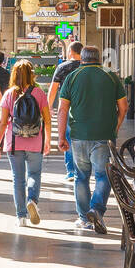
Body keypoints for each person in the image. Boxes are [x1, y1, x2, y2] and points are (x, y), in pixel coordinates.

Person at [57, 45, 128, 234]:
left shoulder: (72, 77)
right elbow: (123, 106)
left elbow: (62, 109)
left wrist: (61, 135)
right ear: (99, 59)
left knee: (81, 176)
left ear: (82, 59)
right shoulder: (110, 75)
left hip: (79, 135)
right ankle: (96, 210)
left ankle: (84, 218)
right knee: (103, 176)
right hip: (104, 135)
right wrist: (116, 126)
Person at [0, 59, 51, 227]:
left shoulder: (10, 94)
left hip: (14, 142)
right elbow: (47, 119)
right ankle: (32, 200)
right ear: (31, 74)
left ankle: (21, 217)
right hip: (35, 141)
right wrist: (47, 140)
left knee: (18, 179)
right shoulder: (39, 93)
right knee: (34, 175)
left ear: (14, 75)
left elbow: (2, 122)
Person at [47, 41, 83, 185]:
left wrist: (48, 108)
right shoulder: (86, 67)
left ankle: (71, 171)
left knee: (67, 137)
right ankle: (82, 168)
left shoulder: (62, 67)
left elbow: (53, 89)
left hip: (67, 108)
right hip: (84, 108)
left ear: (70, 52)